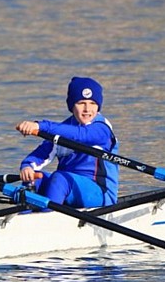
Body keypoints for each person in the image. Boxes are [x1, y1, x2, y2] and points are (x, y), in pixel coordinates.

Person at [15, 76, 119, 208]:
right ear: (71, 105)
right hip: (68, 187)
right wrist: (27, 166)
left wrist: (41, 126)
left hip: (101, 194)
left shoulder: (102, 129)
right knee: (35, 179)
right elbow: (41, 153)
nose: (87, 109)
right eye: (81, 103)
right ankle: (25, 216)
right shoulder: (64, 129)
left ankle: (47, 218)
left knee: (60, 179)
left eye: (92, 103)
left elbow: (81, 135)